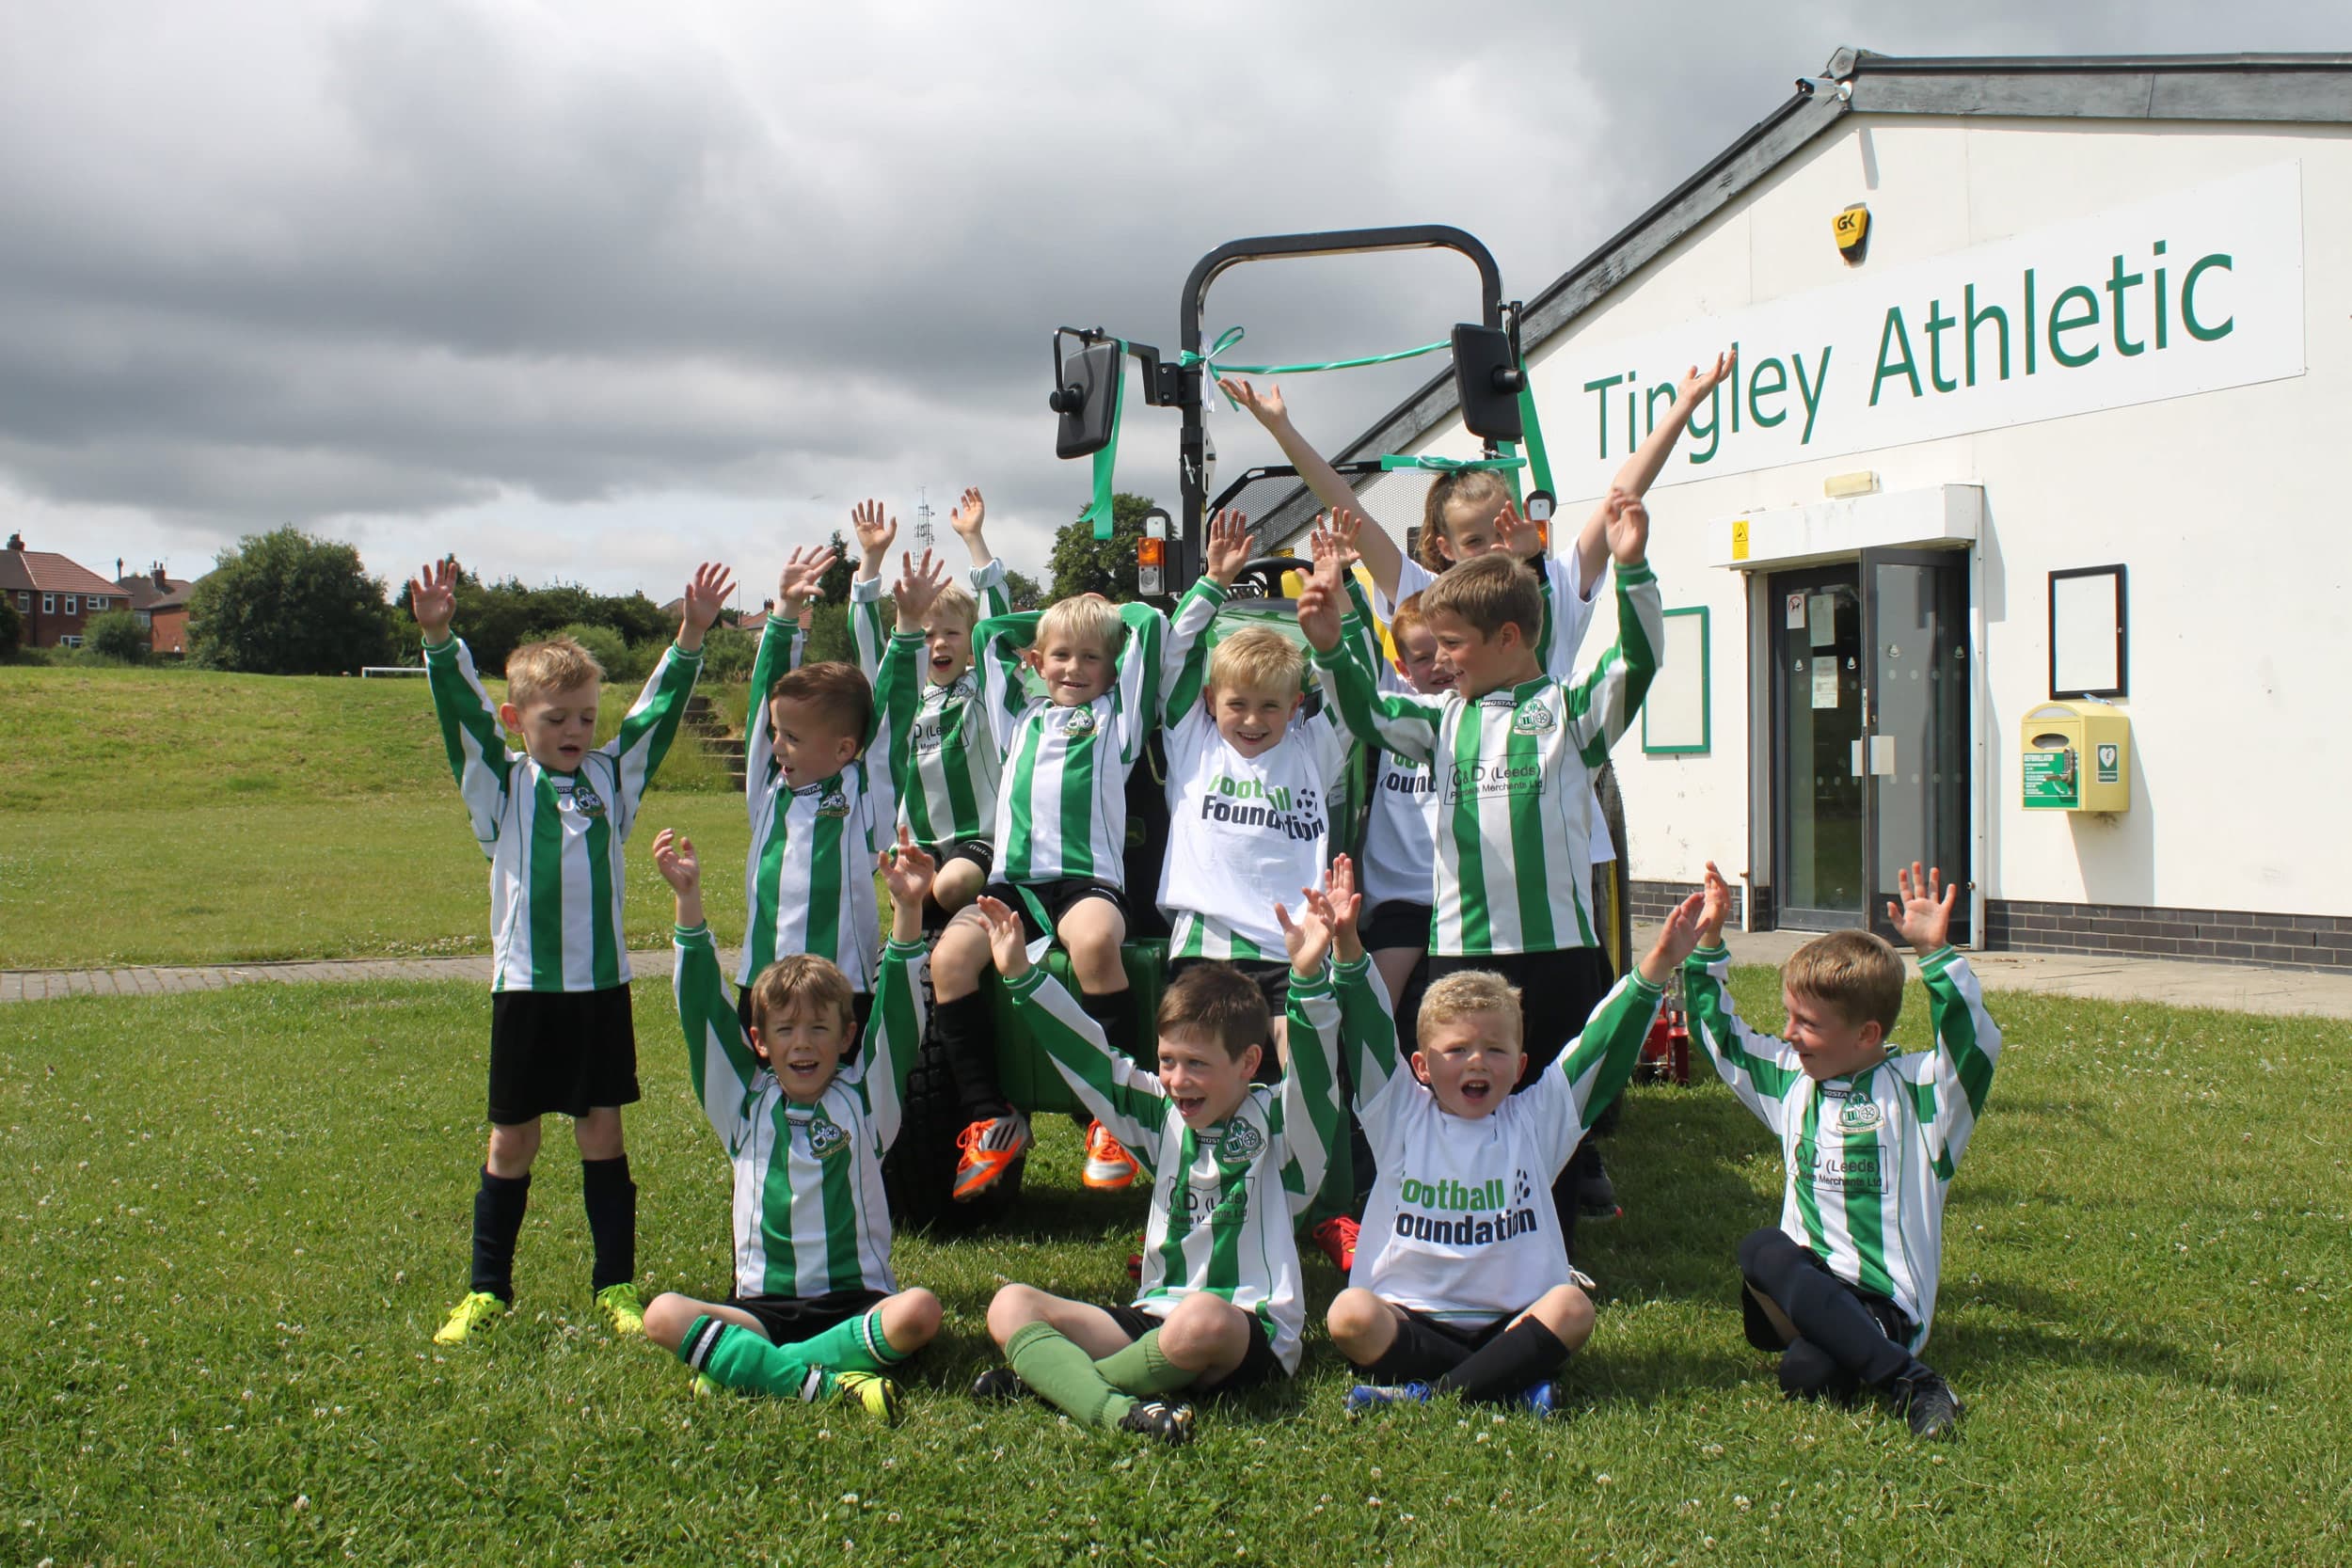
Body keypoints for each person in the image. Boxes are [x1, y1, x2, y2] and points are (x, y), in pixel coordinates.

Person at [1295, 515, 1660, 1260]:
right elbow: (1366, 710)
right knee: (1459, 1106)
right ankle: (1462, 1240)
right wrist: (1331, 646)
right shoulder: (1439, 720)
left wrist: (1631, 570)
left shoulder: (1568, 712)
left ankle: (1547, 1254)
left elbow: (1638, 662)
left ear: (1510, 640)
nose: (1440, 661)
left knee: (1553, 1110)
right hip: (1464, 955)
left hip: (1558, 949)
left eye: (1453, 645)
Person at [408, 556, 731, 1345]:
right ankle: (488, 1290)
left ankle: (615, 1285)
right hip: (524, 992)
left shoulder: (611, 778)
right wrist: (441, 638)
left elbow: (654, 717)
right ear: (520, 722)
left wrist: (689, 635)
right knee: (512, 1140)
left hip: (600, 993)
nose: (576, 732)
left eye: (586, 716)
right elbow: (463, 720)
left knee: (602, 1135)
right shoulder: (502, 788)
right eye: (557, 719)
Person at [1301, 858, 1708, 1409]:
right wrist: (1348, 947)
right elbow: (1370, 1030)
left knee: (1572, 1308)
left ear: (1519, 1067)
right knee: (1348, 1316)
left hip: (1511, 1322)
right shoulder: (1396, 1111)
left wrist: (1658, 965)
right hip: (1410, 1317)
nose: (1478, 1063)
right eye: (1458, 1051)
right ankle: (1507, 1385)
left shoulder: (1537, 1119)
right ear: (1421, 1066)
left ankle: (1424, 1395)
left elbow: (1600, 1049)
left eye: (1496, 1051)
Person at [962, 866, 1348, 1444]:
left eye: (1197, 1064)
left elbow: (1316, 1080)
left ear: (1247, 1063)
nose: (1176, 1078)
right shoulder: (1160, 1116)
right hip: (1154, 1318)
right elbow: (1092, 1060)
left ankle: (1070, 1387)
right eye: (1168, 1060)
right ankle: (1118, 1406)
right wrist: (1021, 975)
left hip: (1242, 1329)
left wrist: (1309, 979)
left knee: (1202, 1321)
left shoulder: (1283, 1127)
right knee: (1010, 1305)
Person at [923, 515, 1236, 1202]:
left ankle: (1112, 1115)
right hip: (1014, 884)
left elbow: (1149, 631)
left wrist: (1112, 618)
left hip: (1087, 882)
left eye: (1091, 658)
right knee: (948, 958)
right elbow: (986, 634)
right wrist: (1036, 611)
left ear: (1109, 667)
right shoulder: (1016, 715)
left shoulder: (1117, 719)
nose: (1074, 668)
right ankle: (989, 1116)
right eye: (1059, 656)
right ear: (1036, 664)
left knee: (1095, 943)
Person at [1683, 860, 2003, 1438]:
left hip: (1884, 1307)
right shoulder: (1790, 1081)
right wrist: (1709, 943)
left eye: (1806, 1024)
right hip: (1797, 1286)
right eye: (1788, 1017)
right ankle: (1911, 1382)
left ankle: (1903, 1372)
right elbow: (1722, 1038)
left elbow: (1974, 1047)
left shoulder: (1918, 1093)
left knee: (1807, 1375)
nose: (1787, 1033)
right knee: (1763, 1248)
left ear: (1866, 1035)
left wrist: (1936, 956)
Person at [638, 825, 942, 1421]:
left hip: (858, 1305)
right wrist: (688, 903)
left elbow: (900, 1019)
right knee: (662, 1315)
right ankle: (827, 1384)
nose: (802, 1044)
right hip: (761, 1307)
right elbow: (701, 1010)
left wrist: (908, 910)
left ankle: (756, 1369)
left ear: (847, 1036)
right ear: (759, 1041)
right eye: (785, 1031)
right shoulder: (744, 1105)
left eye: (819, 1029)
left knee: (920, 1311)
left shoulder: (865, 1100)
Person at [735, 543, 918, 1045]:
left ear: (842, 749)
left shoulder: (862, 797)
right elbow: (762, 704)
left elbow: (893, 730)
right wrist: (786, 614)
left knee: (844, 1106)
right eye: (778, 733)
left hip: (843, 990)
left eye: (792, 738)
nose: (777, 746)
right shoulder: (769, 790)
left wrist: (906, 631)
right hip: (760, 984)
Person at [847, 489, 1013, 923]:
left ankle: (922, 935)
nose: (938, 643)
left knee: (951, 885)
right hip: (916, 840)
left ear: (969, 641)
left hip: (979, 838)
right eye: (926, 635)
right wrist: (870, 560)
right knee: (909, 893)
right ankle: (918, 949)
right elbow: (867, 644)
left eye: (952, 634)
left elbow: (999, 626)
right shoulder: (903, 699)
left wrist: (974, 540)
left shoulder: (981, 689)